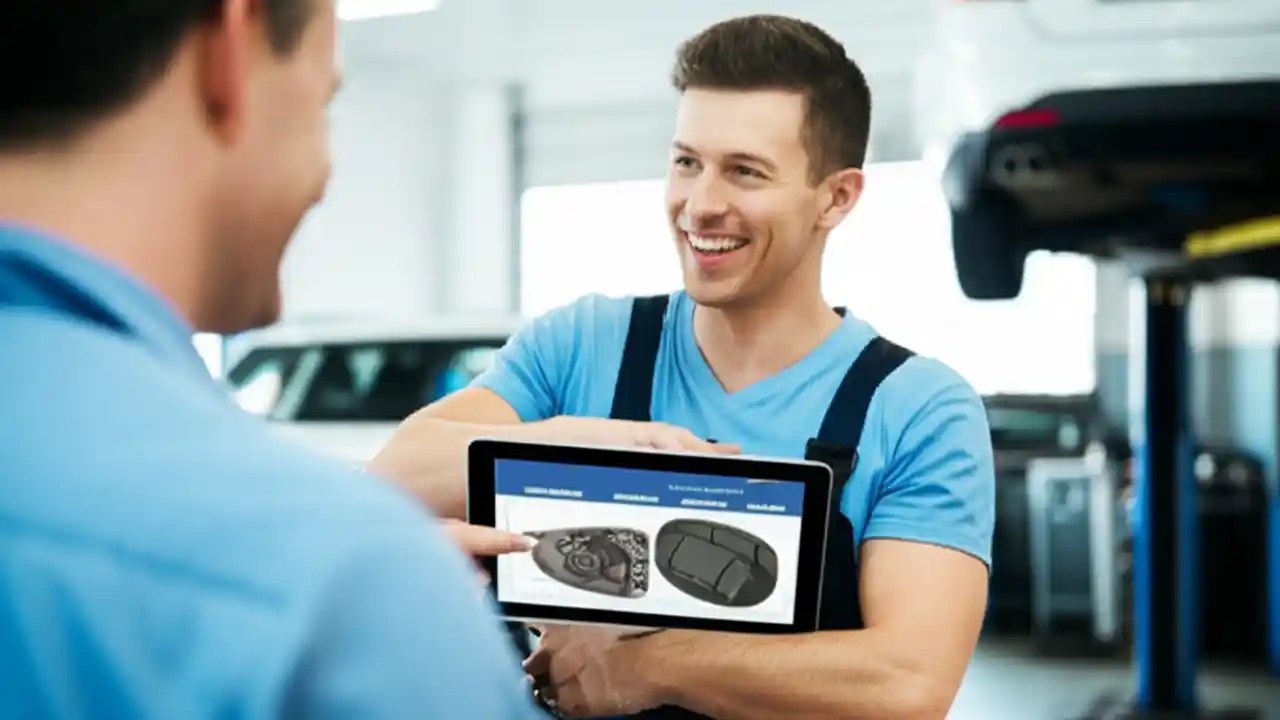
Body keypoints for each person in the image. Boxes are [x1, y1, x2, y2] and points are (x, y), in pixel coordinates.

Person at [370, 13, 996, 719]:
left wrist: (648, 666)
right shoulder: (583, 343)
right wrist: (591, 440)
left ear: (836, 196)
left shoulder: (916, 409)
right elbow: (391, 478)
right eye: (686, 162)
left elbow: (906, 683)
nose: (701, 205)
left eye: (745, 172)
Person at [0, 2, 545, 717]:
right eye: (324, 102)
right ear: (230, 52)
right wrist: (398, 603)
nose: (323, 174)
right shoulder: (340, 597)